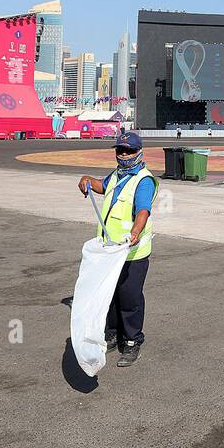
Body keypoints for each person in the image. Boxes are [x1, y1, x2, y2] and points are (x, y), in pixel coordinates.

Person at [76, 131, 157, 367]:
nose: (123, 155)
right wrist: (87, 180)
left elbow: (143, 210)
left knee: (129, 298)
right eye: (119, 151)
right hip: (110, 251)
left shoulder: (143, 180)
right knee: (109, 295)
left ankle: (132, 341)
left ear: (139, 152)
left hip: (132, 253)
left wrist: (135, 232)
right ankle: (112, 333)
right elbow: (102, 186)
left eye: (129, 151)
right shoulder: (117, 175)